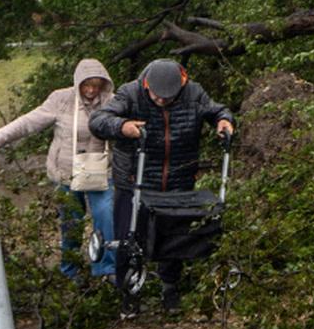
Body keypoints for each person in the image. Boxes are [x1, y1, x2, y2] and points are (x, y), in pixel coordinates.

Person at [89, 58, 234, 312]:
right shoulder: (130, 93)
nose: (162, 102)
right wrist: (123, 127)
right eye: (157, 97)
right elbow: (99, 120)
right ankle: (128, 293)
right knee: (127, 237)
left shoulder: (194, 93)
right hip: (135, 180)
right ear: (146, 85)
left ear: (182, 85)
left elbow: (216, 111)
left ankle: (170, 289)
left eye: (169, 98)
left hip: (179, 178)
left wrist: (223, 121)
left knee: (174, 235)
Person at [0, 58, 117, 281]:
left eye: (96, 85)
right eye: (86, 85)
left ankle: (106, 269)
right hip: (66, 172)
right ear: (78, 82)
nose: (91, 90)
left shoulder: (113, 102)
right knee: (71, 222)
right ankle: (70, 270)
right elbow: (30, 121)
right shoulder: (61, 99)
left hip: (99, 170)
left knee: (106, 215)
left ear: (103, 84)